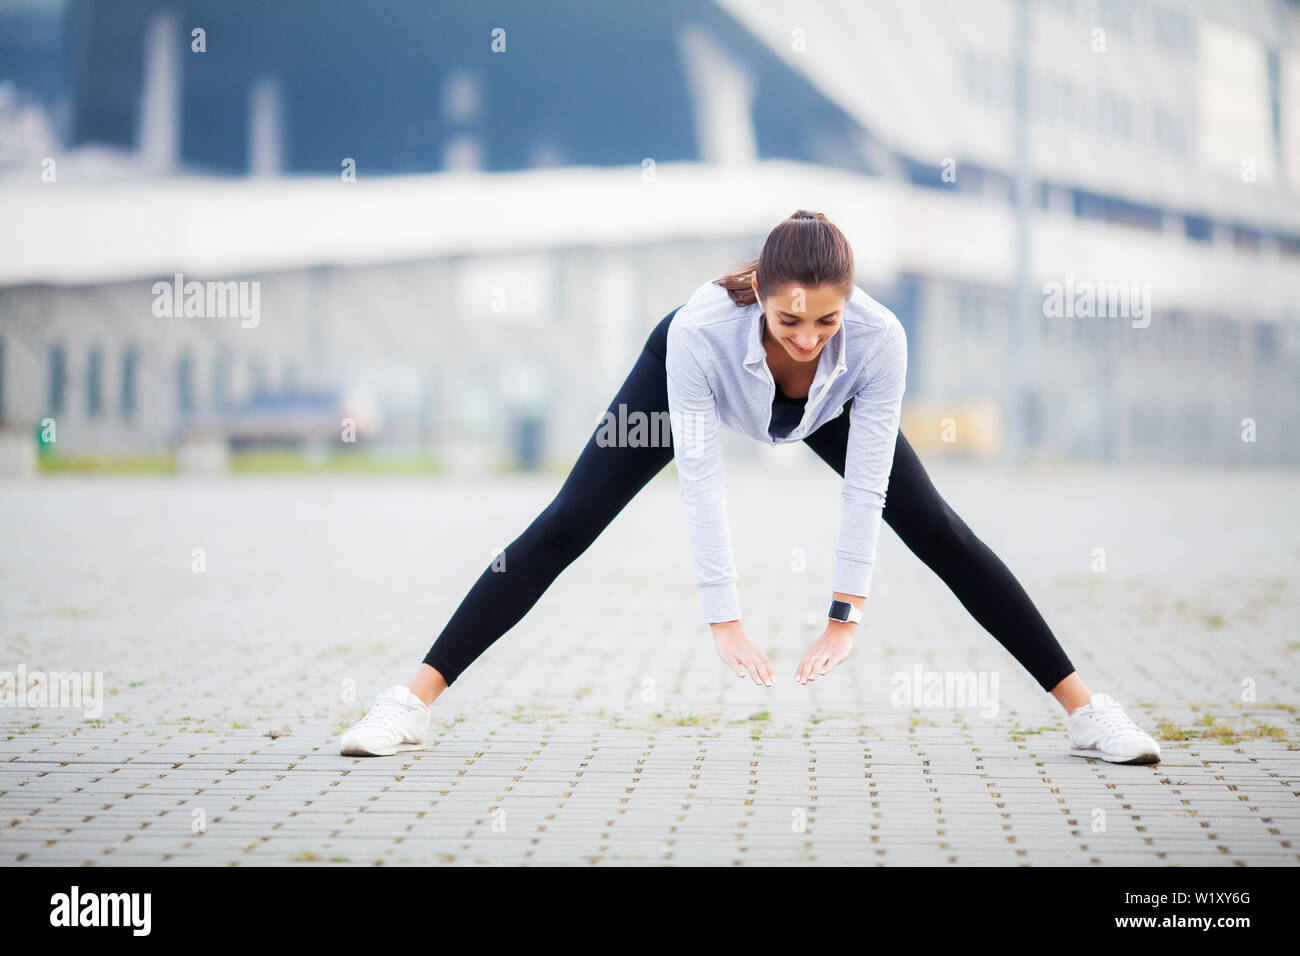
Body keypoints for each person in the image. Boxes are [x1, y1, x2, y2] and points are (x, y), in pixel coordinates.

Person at [340, 210, 1161, 765]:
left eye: (826, 322)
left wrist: (846, 614)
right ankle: (407, 702)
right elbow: (701, 479)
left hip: (827, 414)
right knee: (564, 526)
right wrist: (724, 616)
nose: (807, 341)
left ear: (850, 306)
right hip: (687, 385)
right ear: (760, 297)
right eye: (788, 322)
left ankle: (1089, 712)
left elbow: (867, 489)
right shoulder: (702, 332)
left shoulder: (877, 343)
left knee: (941, 530)